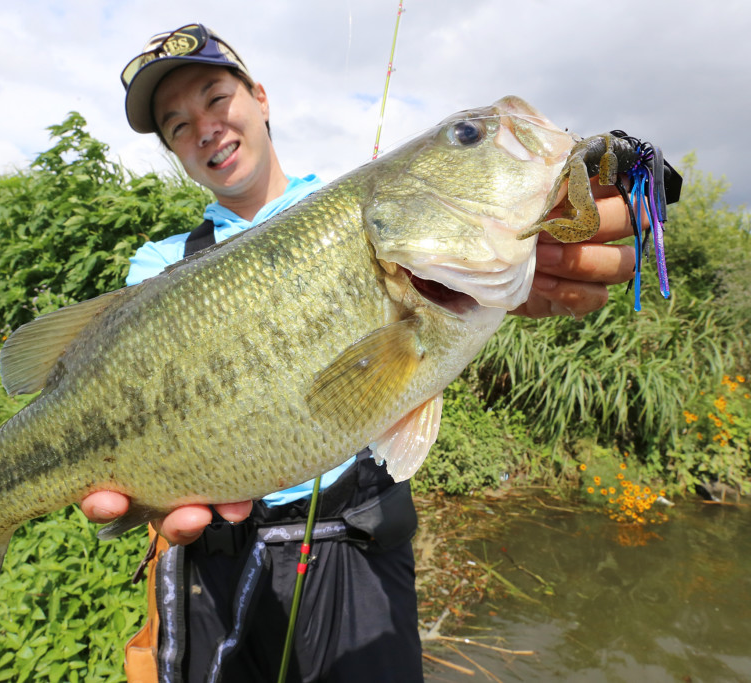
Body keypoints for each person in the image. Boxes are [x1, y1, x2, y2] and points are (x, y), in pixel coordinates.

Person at [81, 23, 638, 682]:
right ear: (175, 150)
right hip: (217, 549)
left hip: (357, 543)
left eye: (216, 98)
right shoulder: (158, 267)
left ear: (260, 97)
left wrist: (563, 222)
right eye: (177, 125)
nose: (204, 127)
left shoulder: (364, 205)